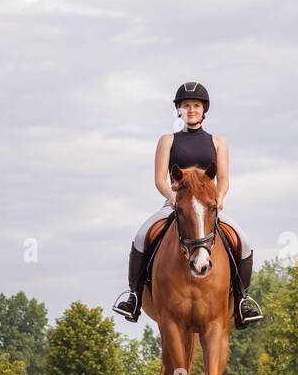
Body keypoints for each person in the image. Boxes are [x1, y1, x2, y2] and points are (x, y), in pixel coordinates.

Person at [113, 82, 263, 328]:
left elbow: (223, 179)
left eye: (196, 105)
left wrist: (220, 198)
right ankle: (135, 296)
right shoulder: (168, 140)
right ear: (179, 110)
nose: (191, 109)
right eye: (186, 106)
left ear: (204, 110)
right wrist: (172, 198)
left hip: (208, 206)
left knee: (243, 242)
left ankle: (241, 301)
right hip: (176, 203)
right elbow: (159, 179)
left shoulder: (218, 142)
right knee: (141, 236)